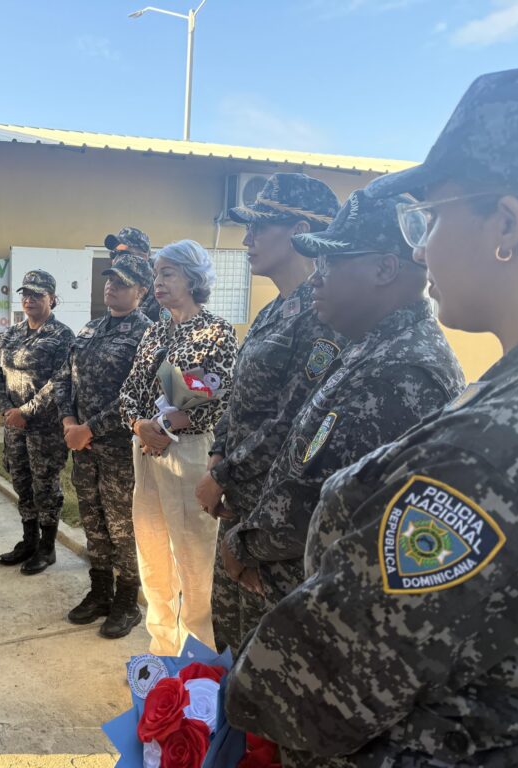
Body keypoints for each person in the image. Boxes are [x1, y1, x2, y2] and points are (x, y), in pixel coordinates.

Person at [226, 65, 518, 766]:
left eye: (430, 217)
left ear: (506, 223)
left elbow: (309, 686)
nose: (421, 247)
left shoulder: (493, 448)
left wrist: (234, 694)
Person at [218, 190, 465, 641]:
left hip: (320, 615)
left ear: (384, 269)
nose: (316, 278)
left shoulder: (401, 372)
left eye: (331, 263)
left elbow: (325, 503)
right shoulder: (373, 345)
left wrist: (244, 543)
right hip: (290, 588)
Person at [195, 172, 343, 654]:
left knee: (264, 654)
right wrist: (218, 455)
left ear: (300, 231)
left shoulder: (324, 313)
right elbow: (238, 397)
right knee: (228, 643)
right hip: (239, 504)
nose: (247, 239)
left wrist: (223, 474)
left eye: (260, 227)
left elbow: (295, 420)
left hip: (277, 521)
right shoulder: (274, 310)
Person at [119, 240, 237, 654]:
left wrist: (166, 426)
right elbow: (130, 390)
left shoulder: (216, 332)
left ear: (193, 277)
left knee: (194, 556)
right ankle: (162, 647)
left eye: (167, 273)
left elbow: (220, 397)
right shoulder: (154, 331)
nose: (158, 282)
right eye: (156, 274)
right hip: (146, 450)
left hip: (188, 451)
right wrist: (138, 424)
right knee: (151, 552)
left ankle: (197, 656)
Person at [55, 255, 153, 638]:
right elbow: (65, 378)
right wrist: (68, 421)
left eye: (122, 282)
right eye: (110, 279)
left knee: (123, 526)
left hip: (120, 452)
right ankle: (99, 592)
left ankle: (127, 601)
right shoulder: (90, 328)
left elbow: (139, 396)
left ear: (141, 290)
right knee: (93, 520)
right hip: (83, 449)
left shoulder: (148, 334)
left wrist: (89, 428)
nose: (111, 286)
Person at [0, 270, 74, 575]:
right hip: (15, 427)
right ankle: (29, 540)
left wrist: (26, 411)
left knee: (45, 486)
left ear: (52, 298)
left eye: (37, 294)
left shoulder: (62, 336)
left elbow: (60, 381)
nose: (30, 300)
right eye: (26, 294)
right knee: (21, 482)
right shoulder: (11, 334)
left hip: (45, 429)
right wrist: (7, 410)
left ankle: (47, 548)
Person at [104, 227, 161, 322]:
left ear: (143, 257)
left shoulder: (160, 289)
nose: (116, 259)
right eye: (113, 254)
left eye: (123, 252)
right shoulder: (114, 286)